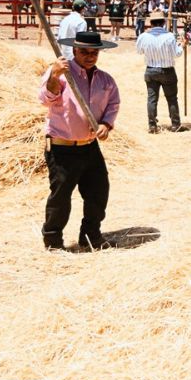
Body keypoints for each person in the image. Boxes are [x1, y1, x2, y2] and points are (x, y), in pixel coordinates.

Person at [39, 30, 121, 250]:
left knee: (98, 192)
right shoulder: (60, 74)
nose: (89, 56)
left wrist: (106, 125)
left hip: (89, 146)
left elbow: (113, 104)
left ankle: (91, 237)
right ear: (74, 50)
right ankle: (53, 241)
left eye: (94, 52)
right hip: (62, 148)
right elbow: (45, 99)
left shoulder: (105, 80)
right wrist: (55, 76)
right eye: (84, 51)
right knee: (61, 198)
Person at [135, 11, 185, 133]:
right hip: (167, 70)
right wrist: (182, 45)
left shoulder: (143, 36)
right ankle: (175, 125)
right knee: (172, 98)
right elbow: (176, 54)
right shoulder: (169, 36)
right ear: (163, 23)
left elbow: (139, 51)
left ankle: (152, 126)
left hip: (151, 70)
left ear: (151, 23)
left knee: (152, 99)